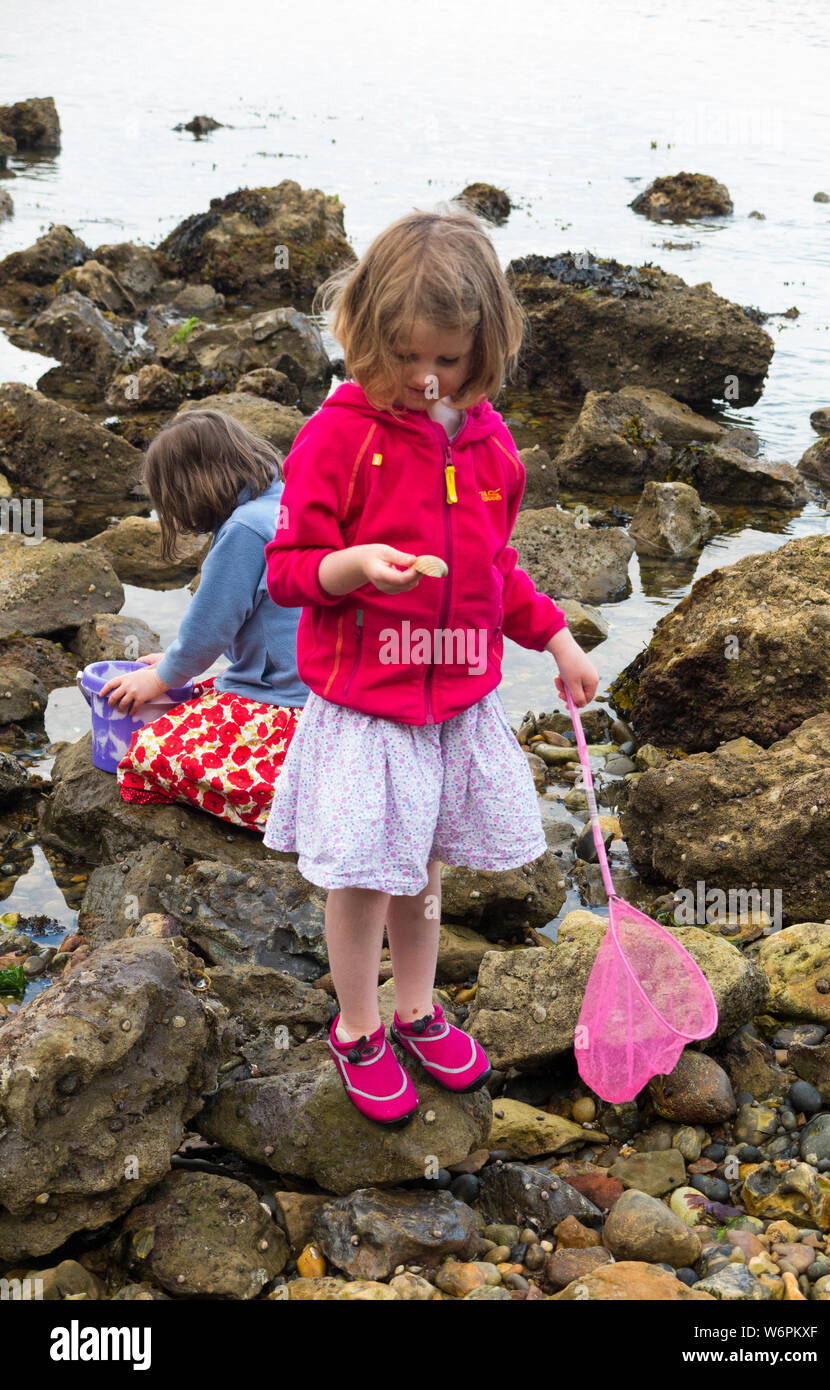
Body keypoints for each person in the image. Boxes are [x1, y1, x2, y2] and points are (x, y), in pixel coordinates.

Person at [264, 204, 599, 1126]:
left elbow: (496, 569)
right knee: (365, 875)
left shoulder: (491, 446)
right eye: (405, 355)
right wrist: (353, 567)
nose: (425, 377)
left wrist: (558, 640)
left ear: (484, 347)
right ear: (364, 334)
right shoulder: (337, 439)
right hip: (367, 706)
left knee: (423, 868)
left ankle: (417, 1006)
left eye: (447, 360)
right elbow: (288, 570)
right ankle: (358, 1025)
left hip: (454, 702)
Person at [99, 409, 308, 831]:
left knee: (147, 752)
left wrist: (161, 679)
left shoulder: (245, 531)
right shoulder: (285, 501)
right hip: (322, 692)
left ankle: (283, 800)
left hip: (288, 706)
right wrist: (179, 665)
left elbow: (210, 627)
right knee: (200, 688)